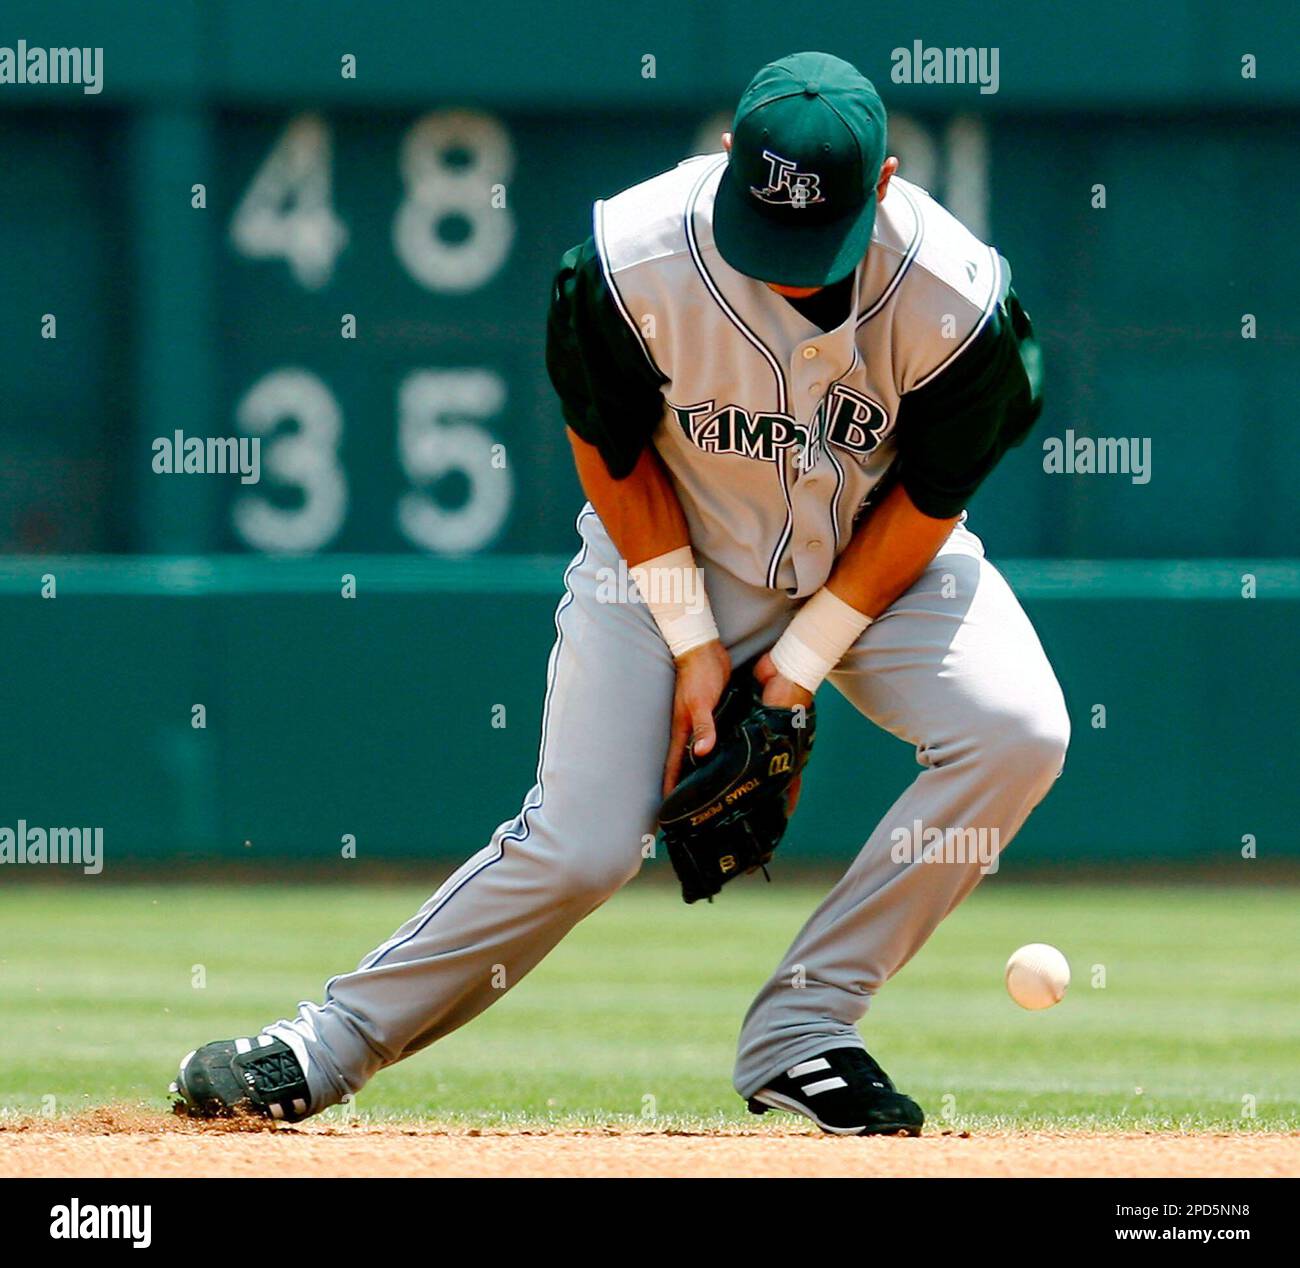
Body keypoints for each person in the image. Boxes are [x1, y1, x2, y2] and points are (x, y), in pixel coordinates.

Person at [172, 50, 1068, 1136]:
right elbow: (611, 446)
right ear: (729, 156)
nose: (787, 267)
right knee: (586, 842)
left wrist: (795, 668)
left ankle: (804, 1026)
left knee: (1017, 730)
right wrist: (695, 641)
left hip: (875, 556)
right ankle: (327, 1042)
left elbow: (931, 495)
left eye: (814, 234)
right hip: (668, 554)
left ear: (882, 187)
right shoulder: (630, 254)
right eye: (766, 224)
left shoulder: (956, 297)